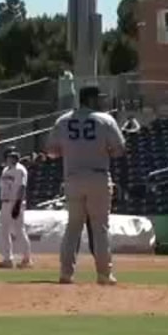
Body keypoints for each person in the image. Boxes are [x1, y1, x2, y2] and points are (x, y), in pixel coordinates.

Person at [45, 85, 127, 285]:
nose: (102, 101)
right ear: (90, 99)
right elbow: (119, 150)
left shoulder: (63, 120)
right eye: (98, 98)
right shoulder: (106, 119)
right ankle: (104, 274)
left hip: (73, 177)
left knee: (73, 227)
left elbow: (51, 152)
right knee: (100, 228)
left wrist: (71, 150)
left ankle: (66, 273)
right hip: (98, 176)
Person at [0, 148, 32, 269]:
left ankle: (27, 259)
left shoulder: (20, 170)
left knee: (19, 230)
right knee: (4, 230)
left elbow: (22, 187)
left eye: (13, 156)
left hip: (16, 202)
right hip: (5, 202)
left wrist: (18, 203)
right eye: (9, 156)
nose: (10, 158)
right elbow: (2, 187)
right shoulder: (5, 170)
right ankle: (8, 259)